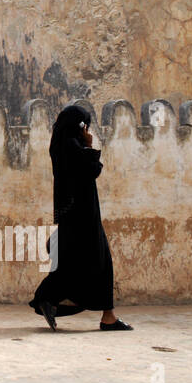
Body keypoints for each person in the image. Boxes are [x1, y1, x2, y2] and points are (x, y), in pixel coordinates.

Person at [29, 104, 132, 331]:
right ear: (80, 125)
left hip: (75, 214)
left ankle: (103, 314)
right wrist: (89, 144)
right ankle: (103, 315)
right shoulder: (72, 146)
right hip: (83, 214)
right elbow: (92, 169)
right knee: (98, 262)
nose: (87, 129)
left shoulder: (61, 145)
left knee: (75, 262)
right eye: (85, 124)